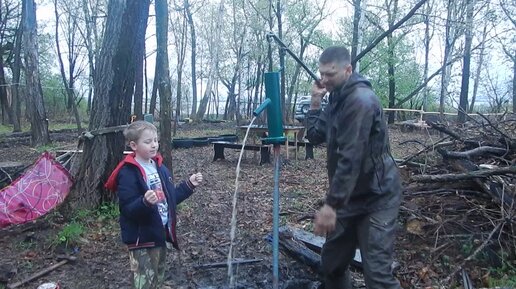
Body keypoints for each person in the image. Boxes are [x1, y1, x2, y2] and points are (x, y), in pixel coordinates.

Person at [306, 46, 402, 289]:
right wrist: (316, 102)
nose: (324, 79)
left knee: (378, 277)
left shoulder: (361, 101)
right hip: (348, 198)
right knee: (332, 266)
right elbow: (315, 135)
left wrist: (331, 206)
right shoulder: (335, 98)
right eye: (322, 74)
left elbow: (351, 158)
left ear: (348, 70)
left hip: (377, 197)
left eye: (331, 74)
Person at [105, 120, 203, 289]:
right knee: (144, 282)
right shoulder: (128, 173)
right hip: (141, 239)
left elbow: (170, 198)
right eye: (148, 142)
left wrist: (189, 185)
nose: (154, 145)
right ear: (134, 145)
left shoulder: (159, 167)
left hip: (160, 234)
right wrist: (145, 202)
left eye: (155, 140)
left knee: (158, 274)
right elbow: (127, 209)